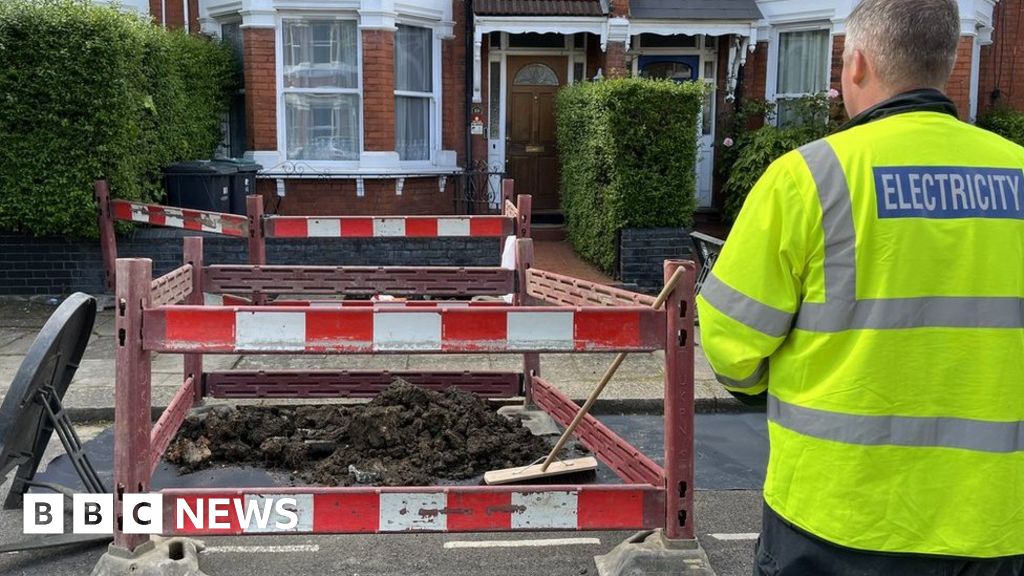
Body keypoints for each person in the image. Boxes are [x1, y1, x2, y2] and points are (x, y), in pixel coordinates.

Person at [696, 0, 1024, 574]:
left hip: (837, 517)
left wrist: (763, 386)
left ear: (856, 64)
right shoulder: (1016, 173)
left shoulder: (807, 178)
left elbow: (731, 341)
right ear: (946, 63)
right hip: (994, 522)